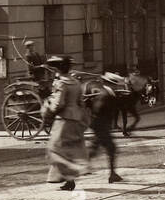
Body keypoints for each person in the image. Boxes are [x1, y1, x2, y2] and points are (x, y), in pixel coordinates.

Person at [44, 56, 89, 191]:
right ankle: (68, 180)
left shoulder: (61, 83)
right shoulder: (75, 82)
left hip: (64, 119)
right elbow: (81, 102)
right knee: (69, 149)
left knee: (54, 149)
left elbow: (59, 104)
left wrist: (49, 106)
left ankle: (67, 178)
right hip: (76, 119)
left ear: (57, 70)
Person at [87, 73, 125, 184]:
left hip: (101, 125)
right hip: (100, 125)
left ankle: (112, 174)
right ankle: (112, 175)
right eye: (115, 85)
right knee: (111, 148)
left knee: (95, 150)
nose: (117, 87)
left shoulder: (108, 93)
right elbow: (97, 109)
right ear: (110, 84)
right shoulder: (105, 95)